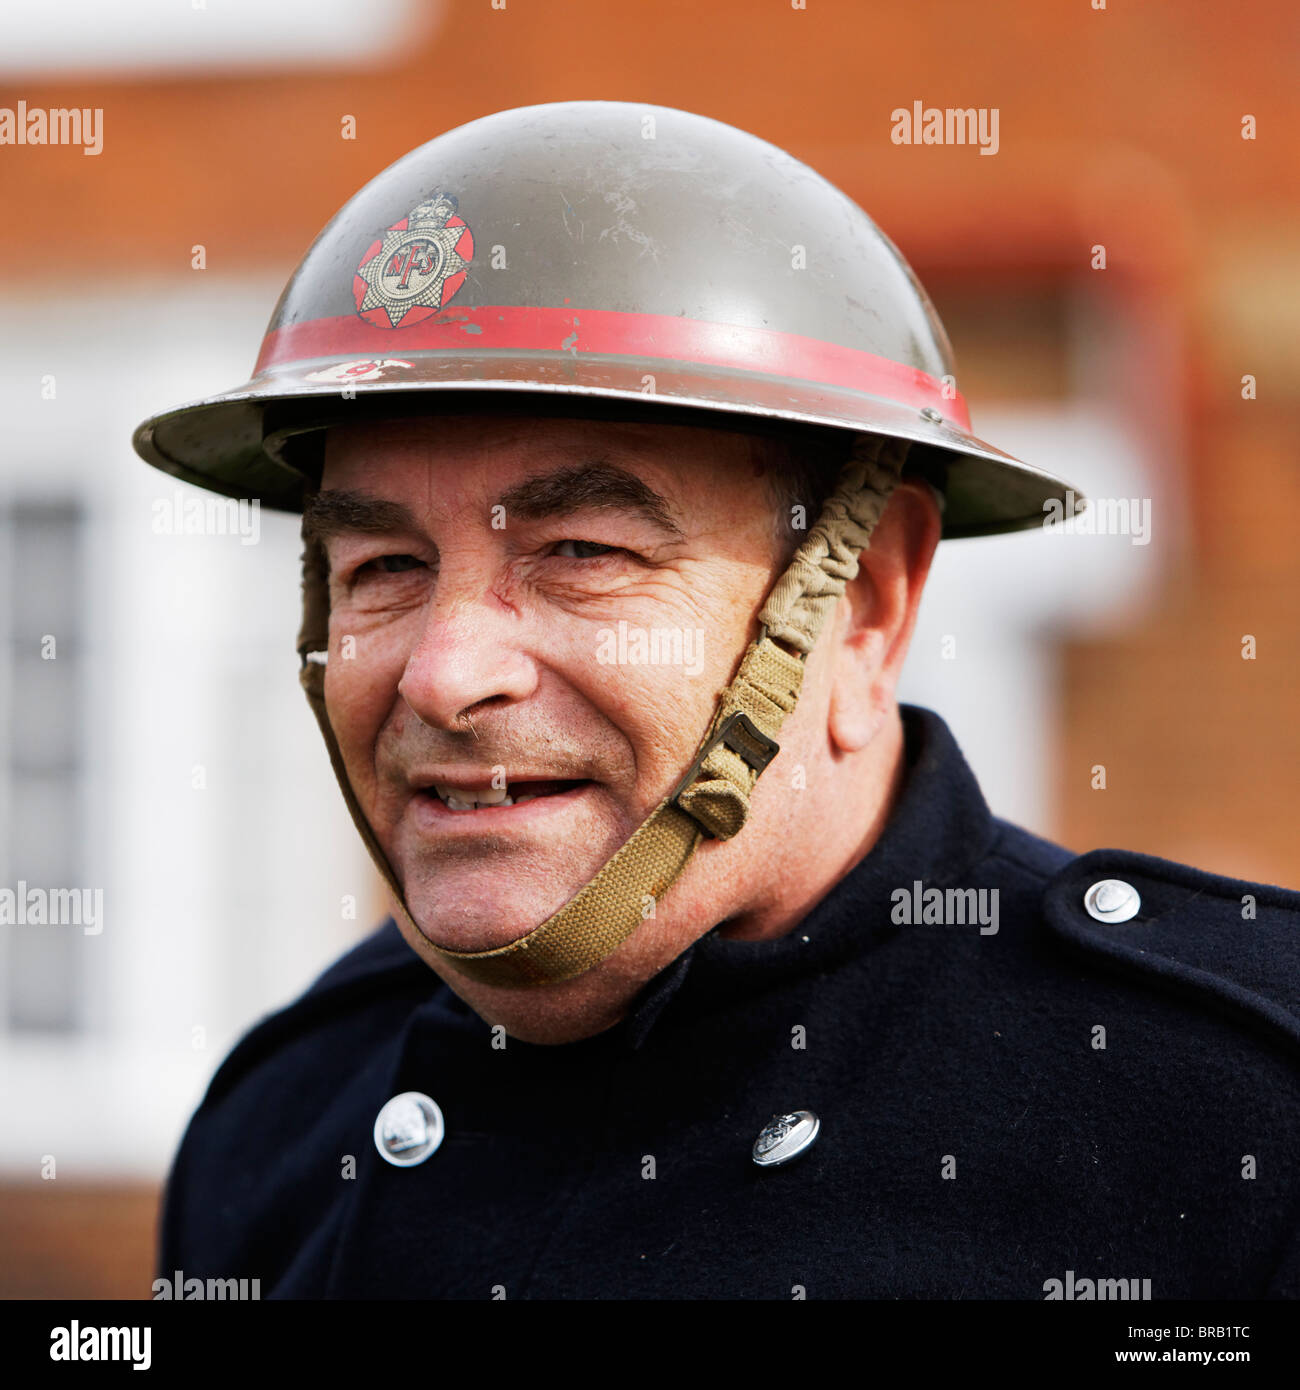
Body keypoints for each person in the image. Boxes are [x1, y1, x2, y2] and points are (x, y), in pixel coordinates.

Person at [134, 100, 1300, 1299]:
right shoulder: (277, 1124)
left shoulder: (1235, 1117)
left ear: (864, 603)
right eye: (383, 570)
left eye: (581, 550)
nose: (443, 672)